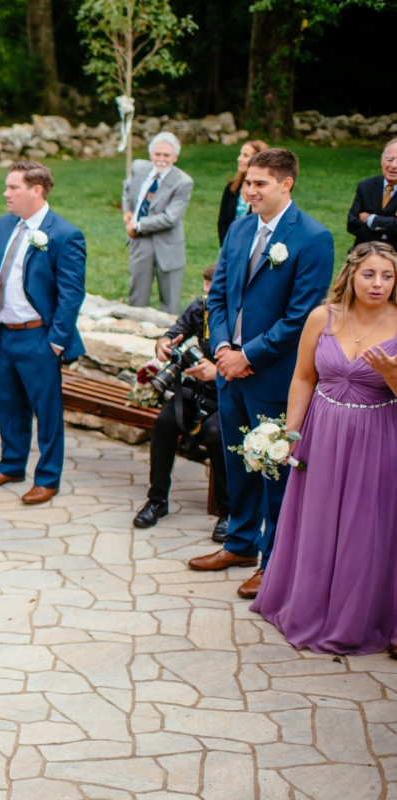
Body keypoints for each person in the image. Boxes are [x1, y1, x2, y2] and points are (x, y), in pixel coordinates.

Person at [188, 147, 336, 599]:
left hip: (275, 376)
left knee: (274, 469)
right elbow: (218, 297)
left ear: (286, 184)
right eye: (248, 182)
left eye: (259, 184)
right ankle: (240, 544)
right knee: (238, 462)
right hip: (231, 369)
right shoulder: (238, 228)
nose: (249, 190)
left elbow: (300, 317)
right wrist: (224, 350)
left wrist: (248, 355)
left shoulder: (312, 238)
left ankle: (273, 561)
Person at [251, 242, 397, 655]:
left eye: (387, 276)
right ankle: (307, 607)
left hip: (378, 436)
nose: (378, 284)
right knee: (315, 523)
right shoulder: (323, 317)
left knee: (364, 528)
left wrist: (390, 374)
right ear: (351, 275)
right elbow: (302, 378)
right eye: (370, 274)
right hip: (323, 433)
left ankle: (356, 620)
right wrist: (289, 435)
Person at [0, 160, 88, 504]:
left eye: (13, 187)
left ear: (36, 190)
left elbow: (72, 294)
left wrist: (55, 342)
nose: (5, 193)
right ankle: (11, 464)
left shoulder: (64, 234)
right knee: (8, 404)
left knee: (47, 410)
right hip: (5, 333)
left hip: (39, 337)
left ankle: (48, 477)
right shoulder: (4, 223)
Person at [132, 265, 228, 542]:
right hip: (198, 389)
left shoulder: (247, 313)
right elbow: (175, 332)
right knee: (164, 422)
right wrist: (163, 344)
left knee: (215, 432)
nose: (210, 297)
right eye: (208, 290)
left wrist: (219, 372)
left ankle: (228, 511)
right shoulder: (203, 307)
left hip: (234, 392)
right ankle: (157, 499)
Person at [123, 132, 193, 314]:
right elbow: (127, 189)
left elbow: (170, 217)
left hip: (167, 244)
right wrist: (127, 213)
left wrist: (137, 225)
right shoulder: (138, 167)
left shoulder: (183, 182)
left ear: (175, 157)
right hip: (140, 242)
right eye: (157, 154)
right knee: (137, 296)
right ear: (150, 154)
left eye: (166, 155)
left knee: (170, 302)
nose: (161, 159)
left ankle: (168, 337)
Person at [346, 137, 397, 248]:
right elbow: (352, 224)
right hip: (365, 251)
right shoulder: (366, 186)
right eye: (389, 159)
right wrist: (390, 225)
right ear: (381, 160)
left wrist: (370, 219)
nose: (393, 165)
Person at [218, 139, 267, 246]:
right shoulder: (232, 188)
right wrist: (226, 247)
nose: (239, 159)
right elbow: (222, 222)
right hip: (230, 247)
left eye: (245, 155)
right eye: (240, 154)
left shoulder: (265, 192)